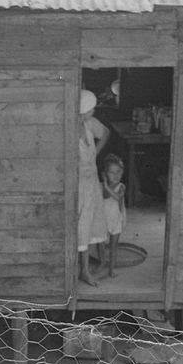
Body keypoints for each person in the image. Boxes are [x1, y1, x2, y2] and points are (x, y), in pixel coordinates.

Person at [77, 90, 110, 287]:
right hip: (78, 184)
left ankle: (90, 265)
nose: (94, 111)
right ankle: (84, 270)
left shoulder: (90, 123)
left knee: (92, 221)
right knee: (82, 224)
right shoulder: (71, 127)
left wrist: (95, 153)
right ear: (84, 110)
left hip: (91, 181)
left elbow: (106, 133)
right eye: (92, 108)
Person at [100, 153, 127, 278]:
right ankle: (102, 263)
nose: (116, 176)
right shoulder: (101, 186)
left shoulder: (121, 187)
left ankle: (111, 269)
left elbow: (117, 197)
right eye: (112, 172)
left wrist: (106, 186)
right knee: (100, 243)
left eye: (119, 173)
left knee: (113, 246)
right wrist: (104, 185)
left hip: (116, 220)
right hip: (103, 220)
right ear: (105, 174)